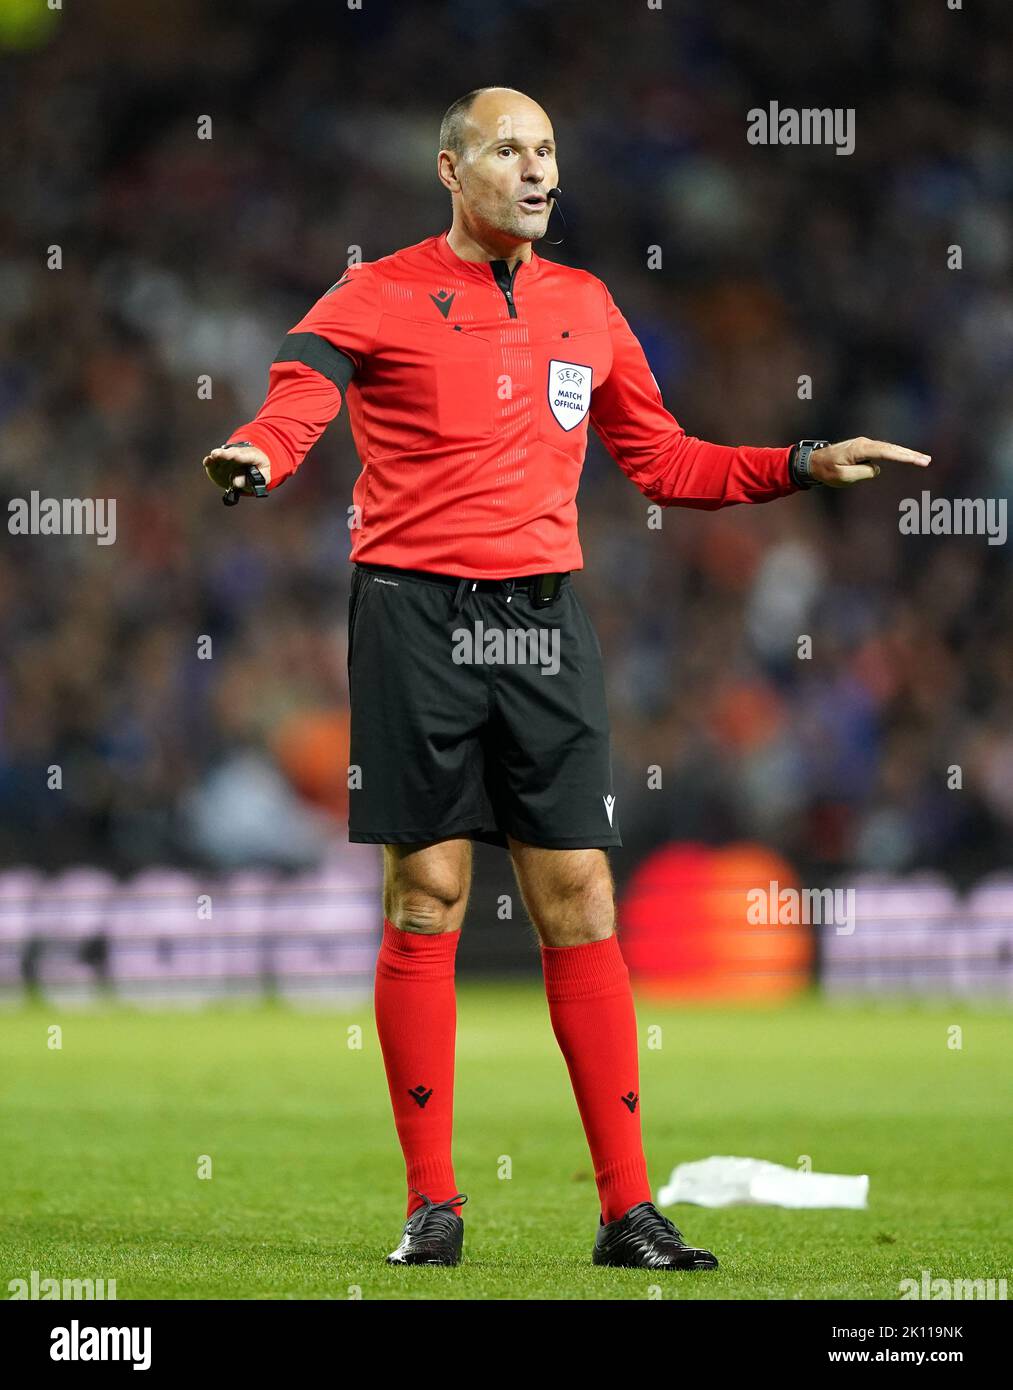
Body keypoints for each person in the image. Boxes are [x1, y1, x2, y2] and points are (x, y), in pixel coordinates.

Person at [203, 86, 930, 1270]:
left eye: (546, 151)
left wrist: (798, 460)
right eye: (508, 150)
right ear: (450, 169)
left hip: (542, 623)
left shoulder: (585, 306)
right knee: (428, 890)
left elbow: (664, 458)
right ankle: (432, 1204)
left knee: (579, 896)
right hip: (411, 615)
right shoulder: (377, 288)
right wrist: (262, 449)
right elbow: (304, 384)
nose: (535, 171)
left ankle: (624, 1209)